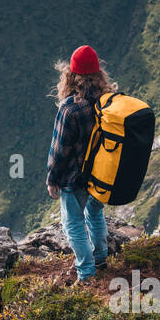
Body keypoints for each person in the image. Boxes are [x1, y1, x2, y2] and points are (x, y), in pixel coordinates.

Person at [46, 45, 114, 283]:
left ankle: (86, 274)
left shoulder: (70, 108)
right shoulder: (107, 102)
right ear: (98, 74)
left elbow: (59, 150)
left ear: (70, 75)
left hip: (75, 178)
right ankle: (101, 257)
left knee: (72, 223)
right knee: (94, 213)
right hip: (103, 175)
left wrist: (52, 179)